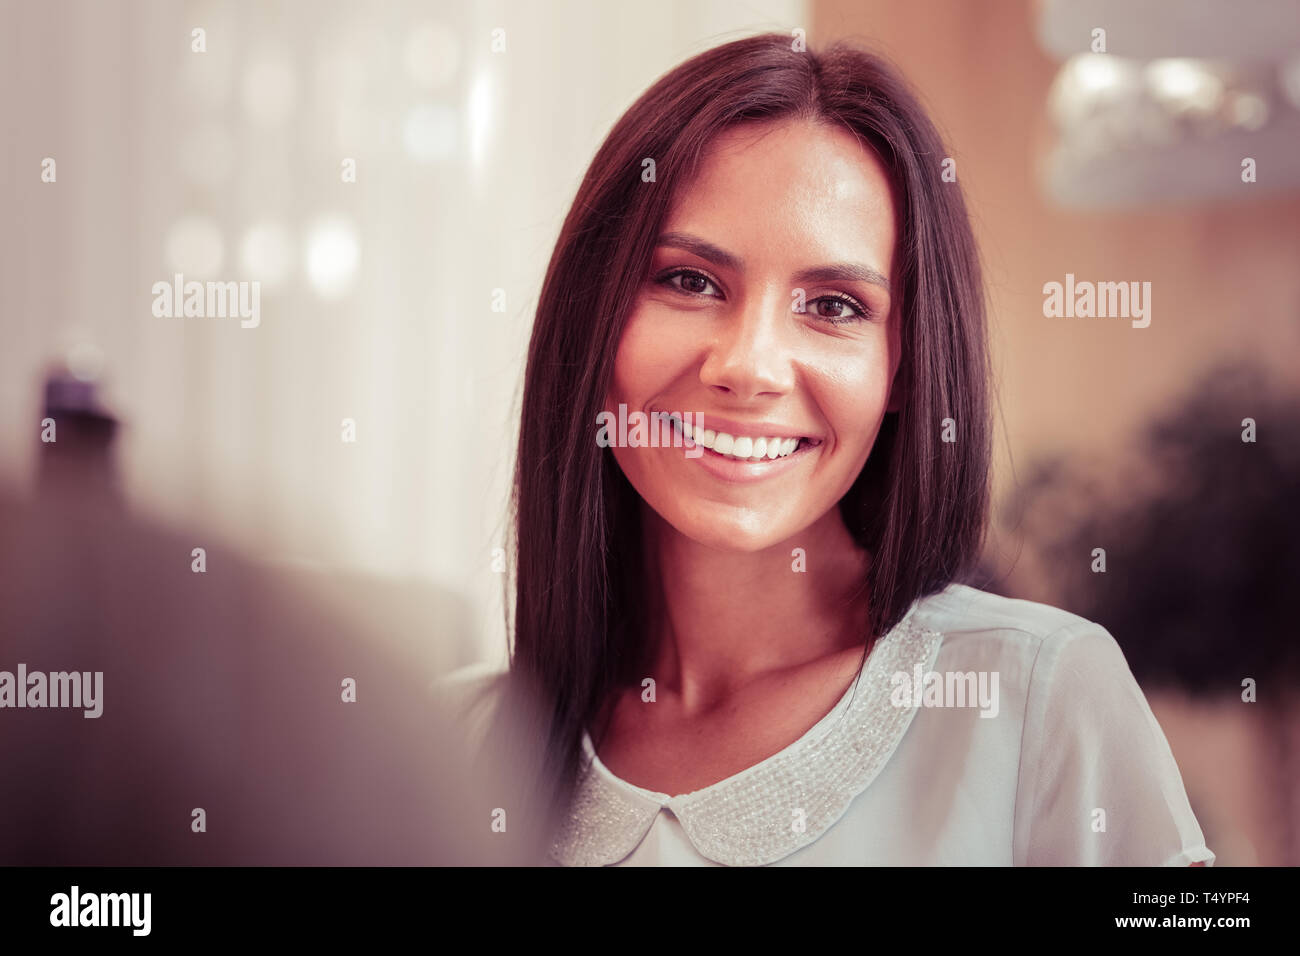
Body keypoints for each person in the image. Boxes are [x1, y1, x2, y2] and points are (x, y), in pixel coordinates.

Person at [445, 32, 1213, 866]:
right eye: (690, 281)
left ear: (905, 370)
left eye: (835, 306)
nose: (748, 367)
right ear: (591, 315)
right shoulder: (449, 750)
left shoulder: (1042, 695)